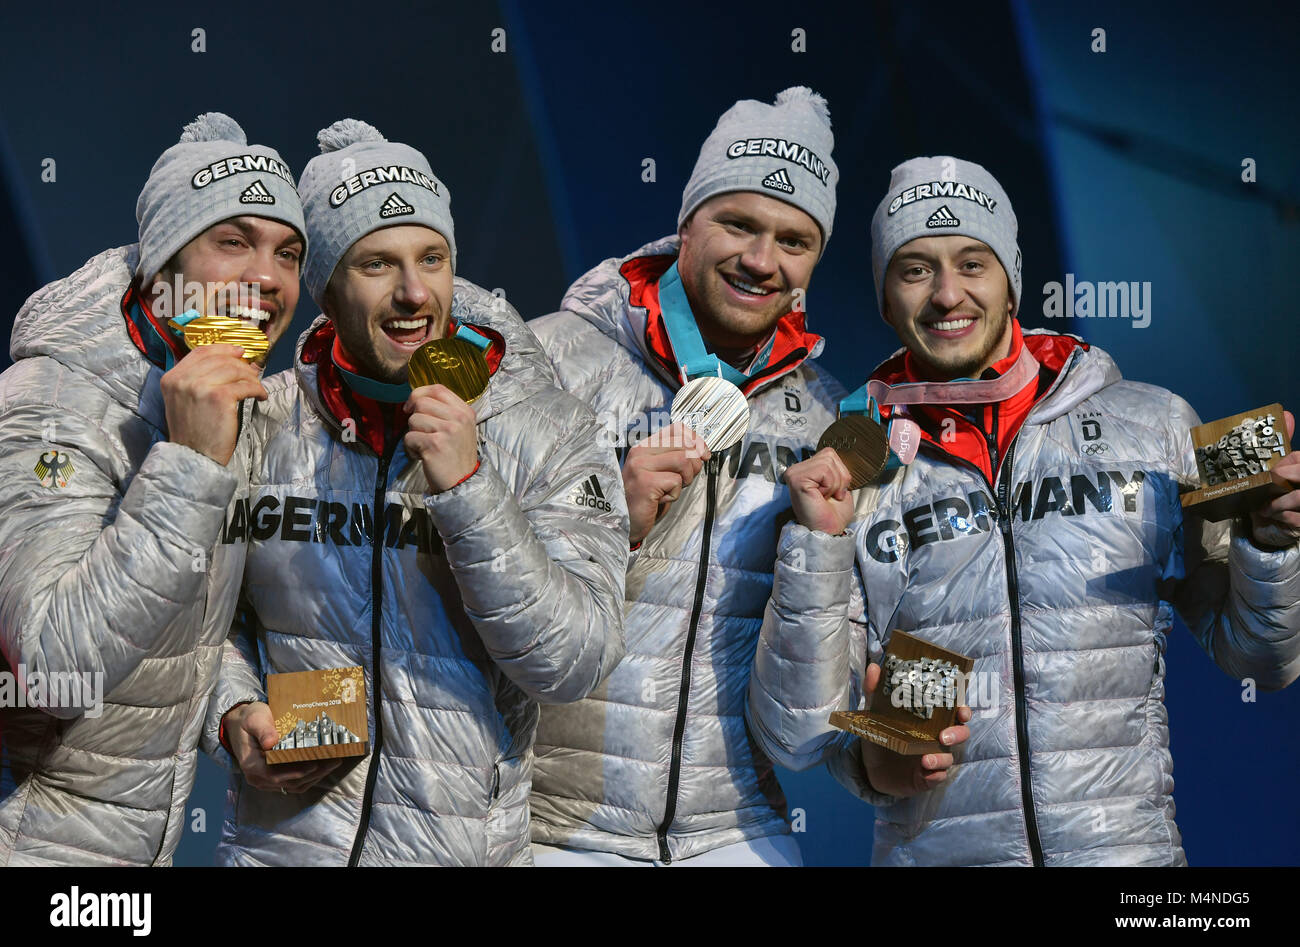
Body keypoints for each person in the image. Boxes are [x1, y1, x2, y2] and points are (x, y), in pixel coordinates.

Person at [749, 155, 1300, 866]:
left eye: (972, 263)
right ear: (885, 299)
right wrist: (874, 764)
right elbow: (797, 732)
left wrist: (1270, 543)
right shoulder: (841, 468)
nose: (948, 294)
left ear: (1011, 280)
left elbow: (1263, 660)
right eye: (915, 269)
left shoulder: (1155, 424)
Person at [209, 120, 628, 866]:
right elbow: (207, 618)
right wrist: (234, 709)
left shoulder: (546, 426)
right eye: (377, 264)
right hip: (281, 849)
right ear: (327, 290)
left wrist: (470, 490)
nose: (413, 292)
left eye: (430, 258)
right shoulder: (261, 417)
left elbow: (574, 662)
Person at [528, 88, 845, 865]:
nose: (761, 260)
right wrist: (609, 514)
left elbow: (805, 730)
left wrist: (821, 549)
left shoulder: (826, 417)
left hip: (737, 829)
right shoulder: (549, 360)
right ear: (686, 223)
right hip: (554, 825)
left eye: (793, 240)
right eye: (738, 223)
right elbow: (456, 590)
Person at [0, 113, 305, 865]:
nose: (266, 279)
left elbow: (190, 621)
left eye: (288, 254)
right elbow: (52, 668)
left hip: (141, 852)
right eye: (232, 242)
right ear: (161, 269)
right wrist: (190, 466)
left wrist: (233, 708)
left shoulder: (219, 392)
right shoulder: (51, 398)